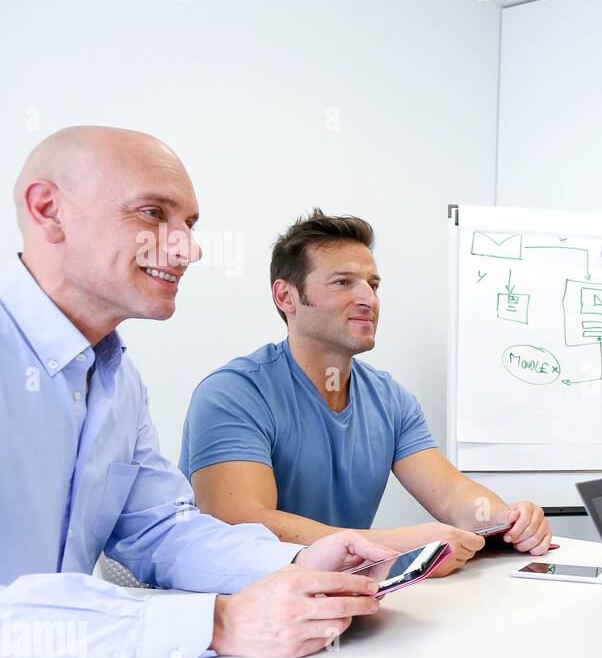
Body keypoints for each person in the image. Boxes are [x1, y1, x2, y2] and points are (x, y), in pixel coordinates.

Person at [0, 127, 391, 658]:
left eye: (190, 226)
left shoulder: (116, 380)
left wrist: (299, 562)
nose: (188, 249)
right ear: (49, 210)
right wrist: (216, 623)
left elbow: (160, 531)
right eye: (153, 214)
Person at [180, 209, 552, 573]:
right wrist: (393, 545)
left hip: (345, 602)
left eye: (372, 285)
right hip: (239, 610)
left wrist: (505, 519)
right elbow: (240, 523)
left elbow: (453, 494)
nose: (368, 299)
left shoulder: (390, 399)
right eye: (343, 282)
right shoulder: (233, 393)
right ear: (286, 297)